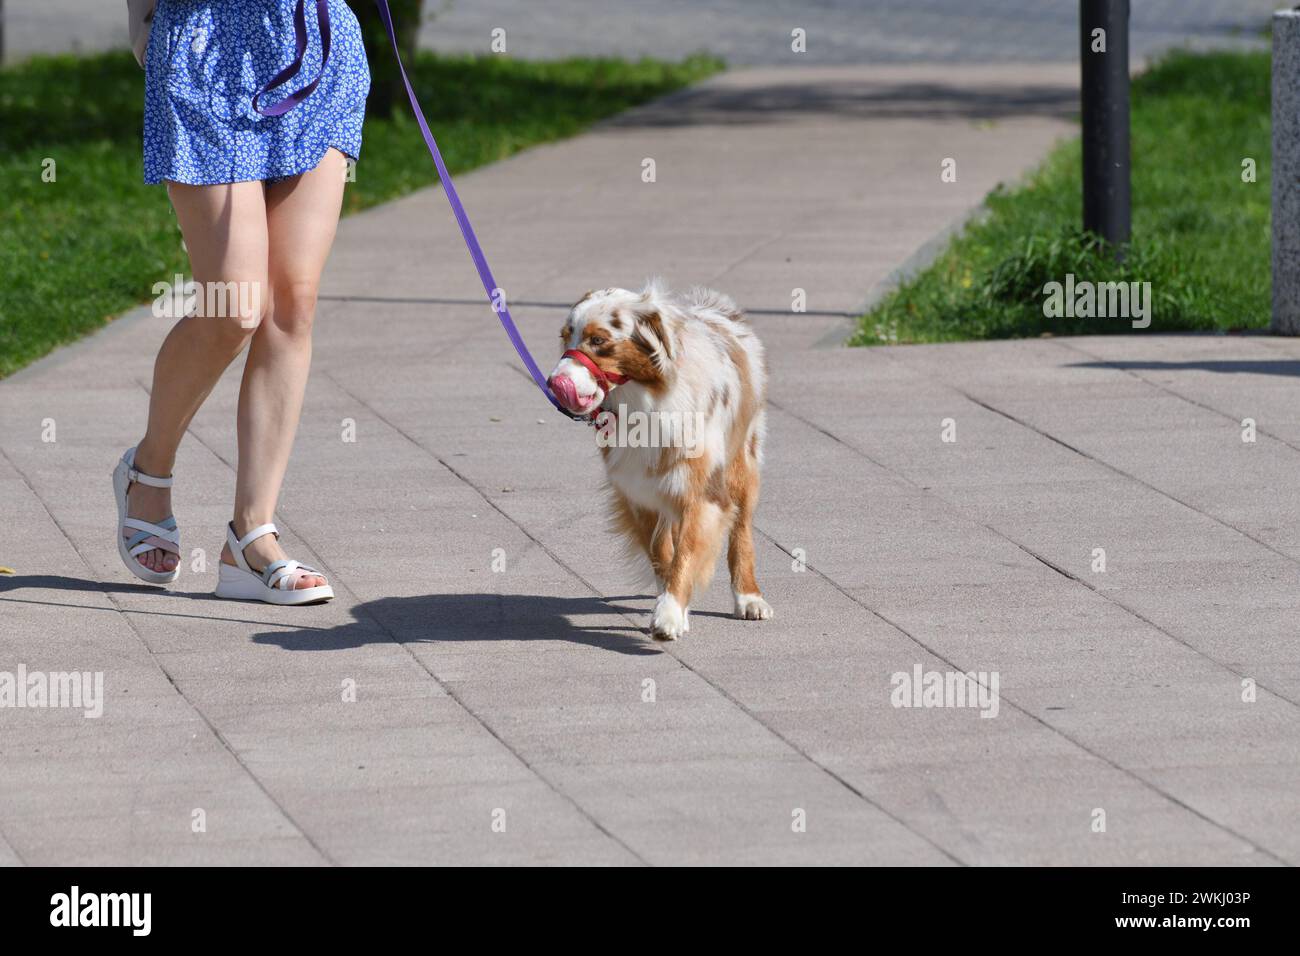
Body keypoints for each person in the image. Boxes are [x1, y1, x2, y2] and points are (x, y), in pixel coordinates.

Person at [112, 0, 371, 605]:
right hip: (208, 44)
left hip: (314, 41)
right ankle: (147, 472)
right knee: (234, 305)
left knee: (292, 302)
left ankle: (250, 538)